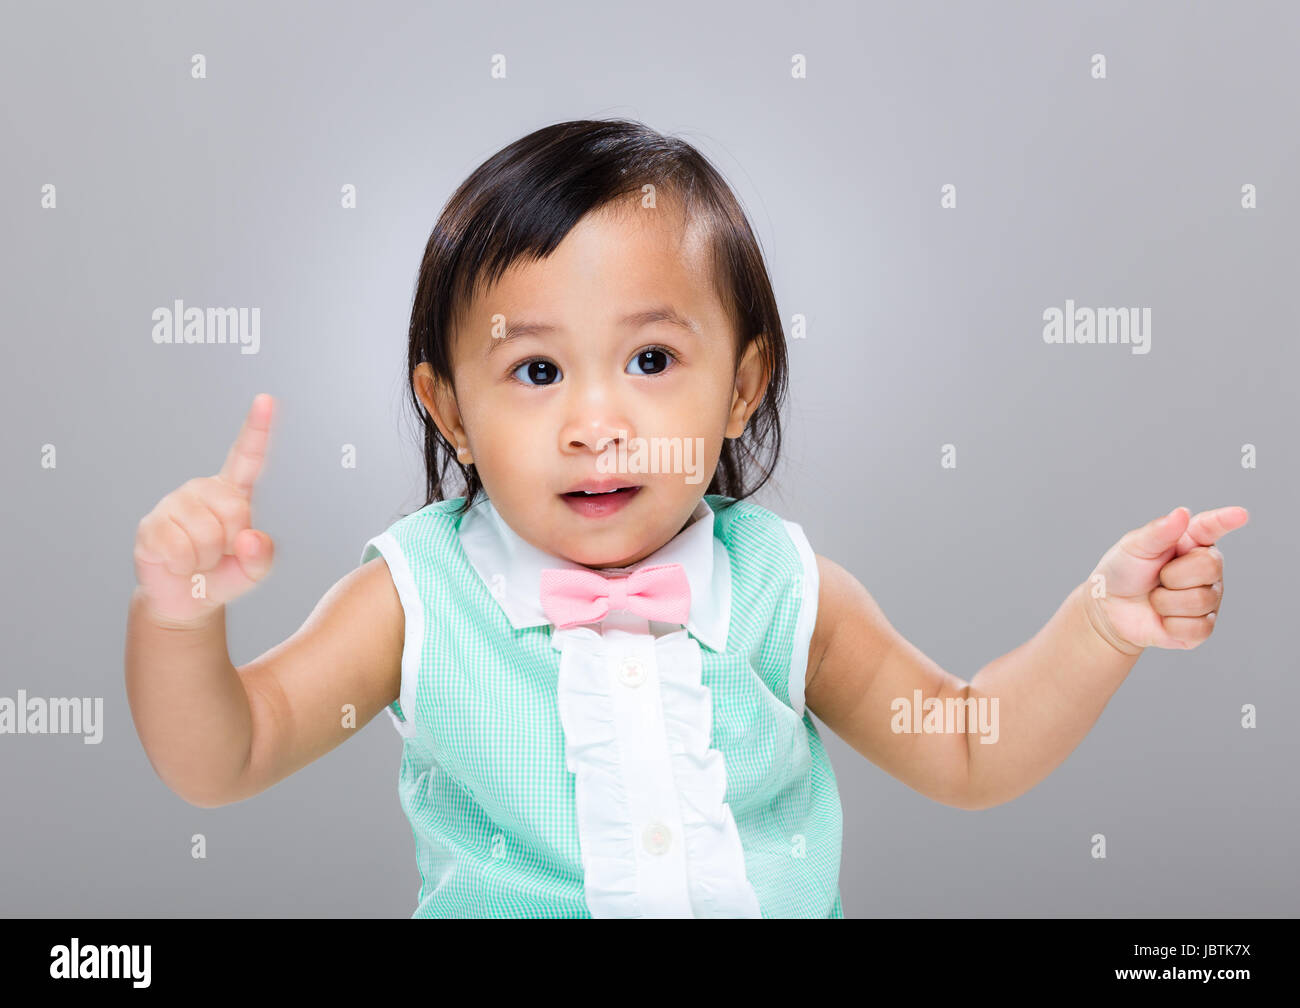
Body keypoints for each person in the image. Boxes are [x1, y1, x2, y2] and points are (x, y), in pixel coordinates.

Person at [125, 118, 1249, 918]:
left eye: (651, 358)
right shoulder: (416, 597)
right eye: (534, 372)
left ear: (743, 386)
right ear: (449, 410)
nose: (596, 421)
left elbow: (965, 748)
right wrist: (178, 622)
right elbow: (227, 755)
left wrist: (1099, 629)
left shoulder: (782, 585)